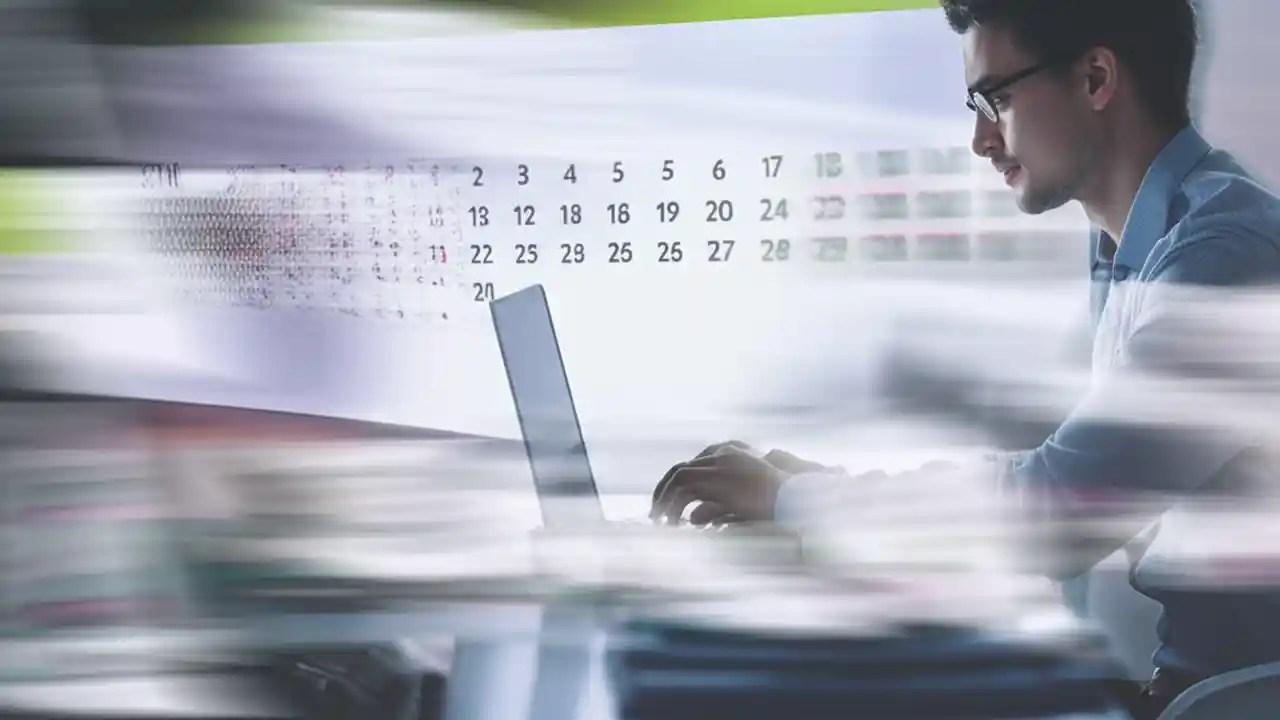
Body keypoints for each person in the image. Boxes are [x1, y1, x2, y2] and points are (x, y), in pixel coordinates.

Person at [649, 1, 1280, 718]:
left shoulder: (1222, 261)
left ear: (1096, 78)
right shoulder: (1141, 249)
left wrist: (795, 503)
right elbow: (1073, 472)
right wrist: (821, 490)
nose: (982, 139)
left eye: (998, 99)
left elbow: (1057, 514)